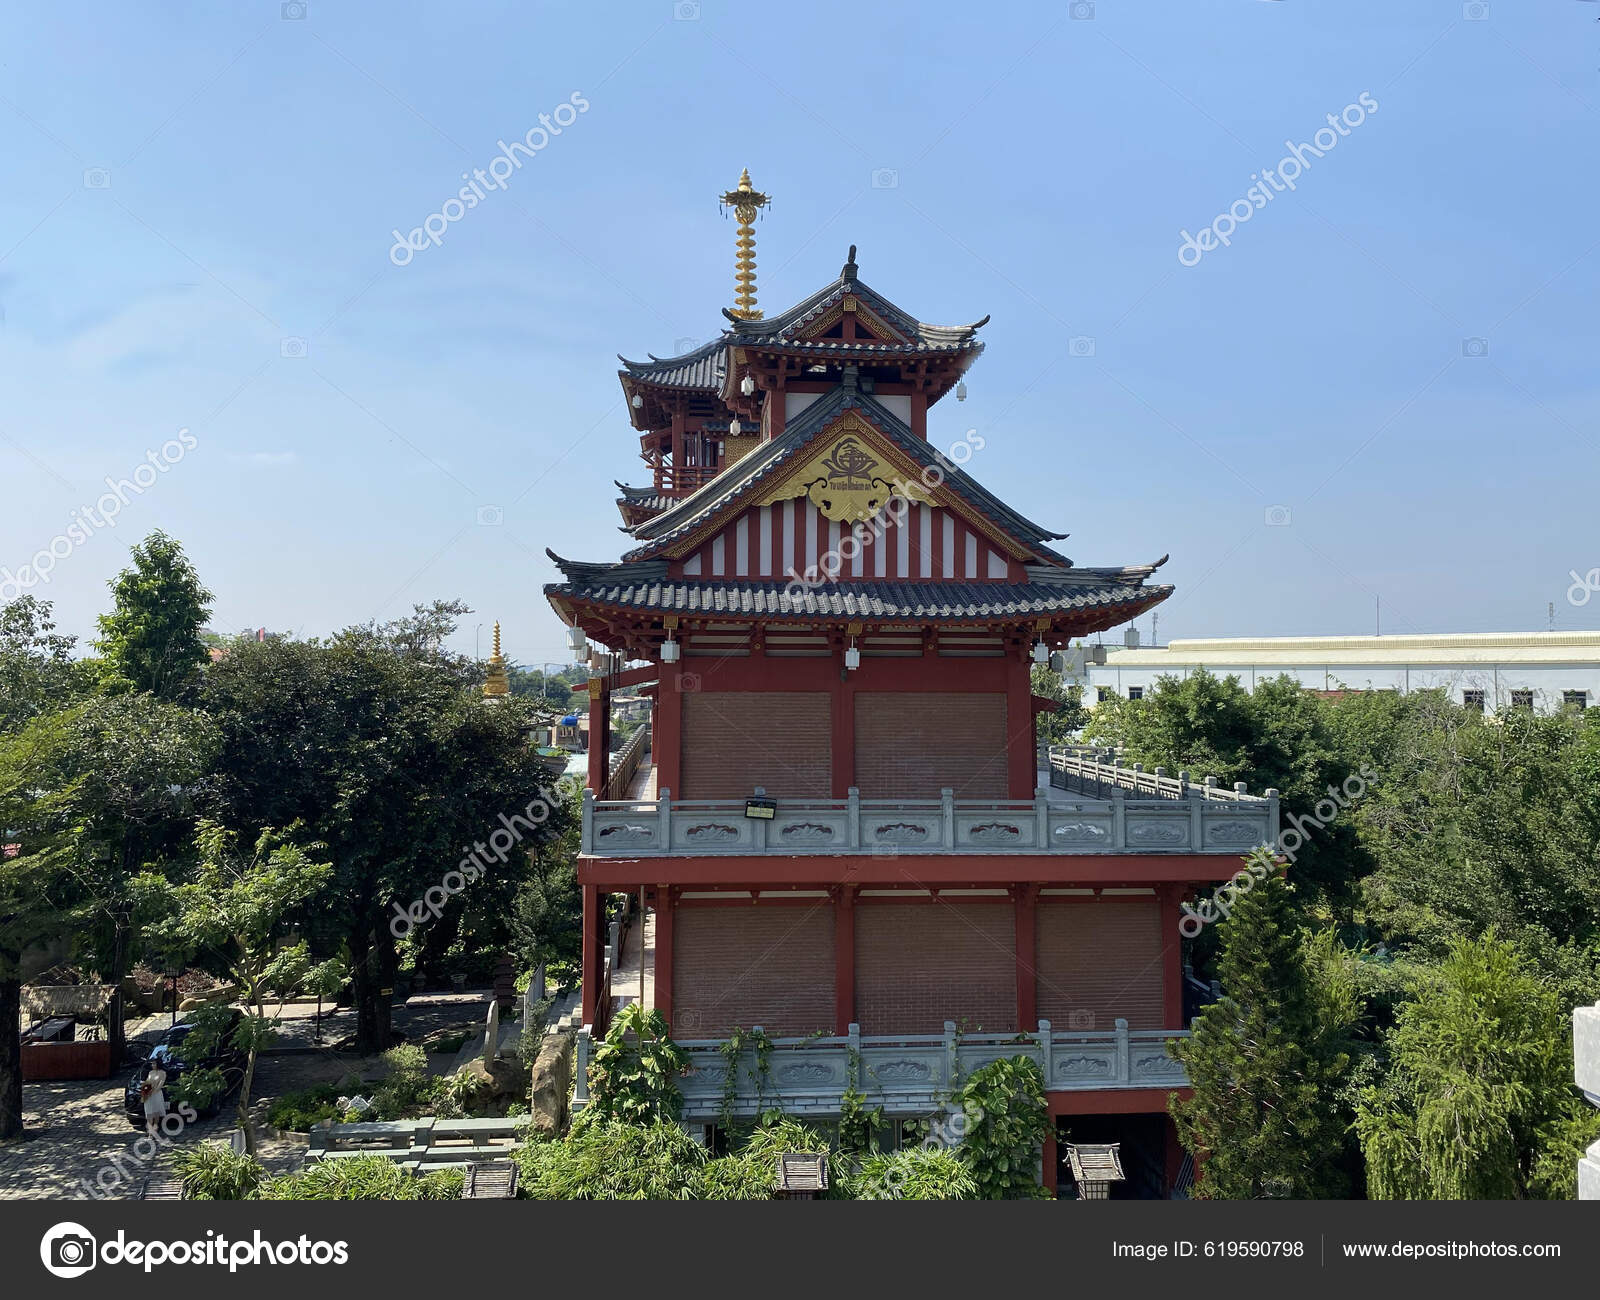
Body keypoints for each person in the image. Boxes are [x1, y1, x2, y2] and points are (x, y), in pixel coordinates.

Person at [140, 1059, 169, 1137]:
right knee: (149, 1112)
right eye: (152, 1064)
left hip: (156, 1095)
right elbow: (147, 1082)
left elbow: (161, 1084)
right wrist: (145, 1088)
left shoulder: (162, 1073)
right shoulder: (150, 1072)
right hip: (148, 1094)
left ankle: (155, 1127)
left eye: (154, 1064)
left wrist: (153, 1090)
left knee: (156, 1112)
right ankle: (150, 1131)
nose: (152, 1065)